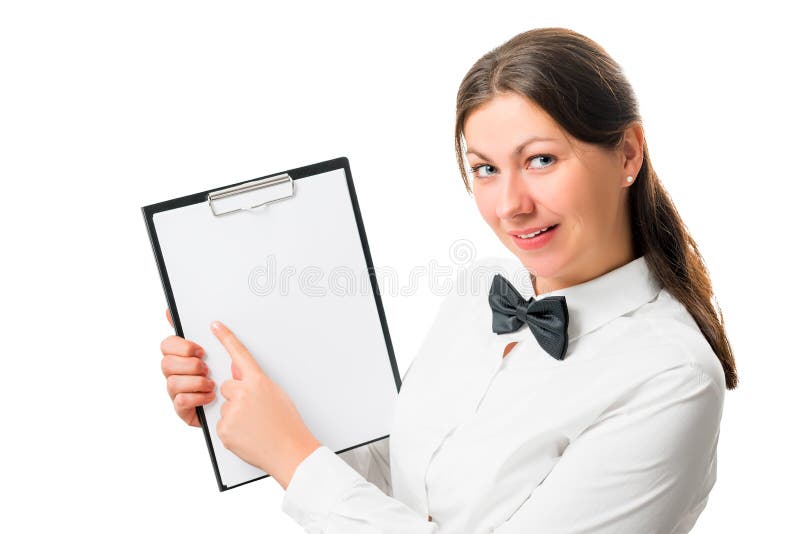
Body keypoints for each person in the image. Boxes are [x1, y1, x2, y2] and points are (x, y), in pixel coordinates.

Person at [158, 27, 738, 533]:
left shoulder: (672, 377)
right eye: (485, 169)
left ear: (629, 153)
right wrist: (244, 394)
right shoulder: (480, 289)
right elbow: (405, 484)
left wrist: (293, 456)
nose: (510, 205)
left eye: (540, 160)